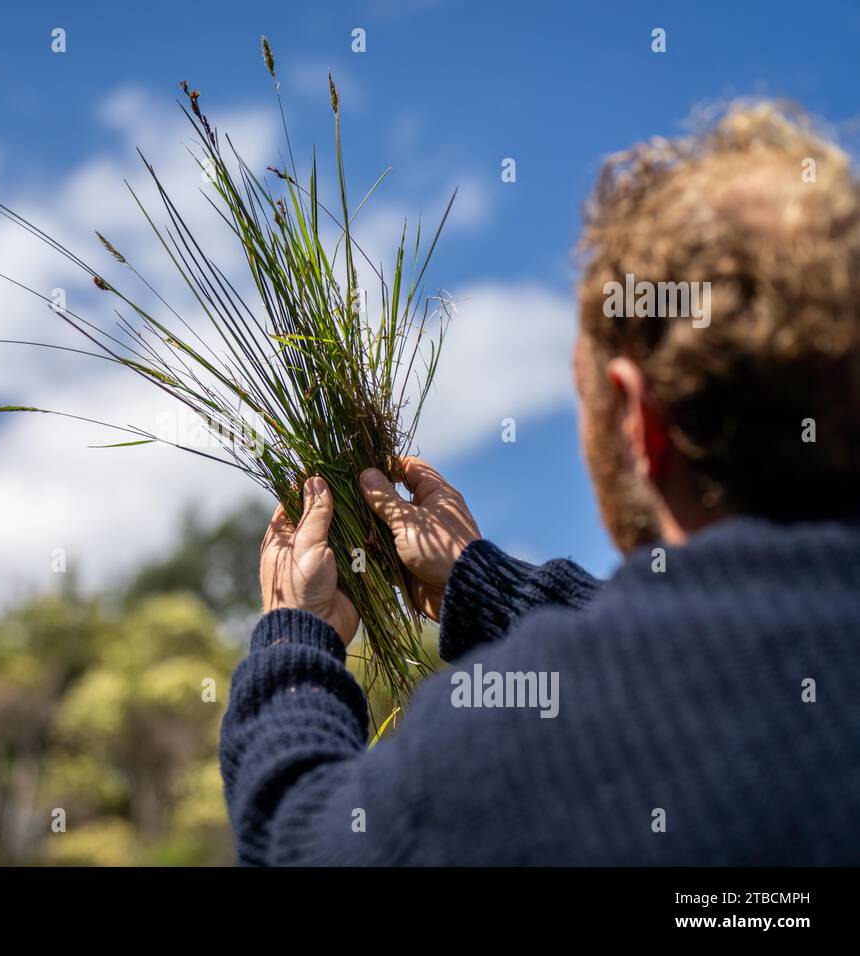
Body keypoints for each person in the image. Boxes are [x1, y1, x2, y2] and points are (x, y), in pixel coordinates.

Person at [218, 101, 860, 865]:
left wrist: (297, 638)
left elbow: (301, 842)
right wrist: (484, 586)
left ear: (637, 420)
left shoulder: (511, 749)